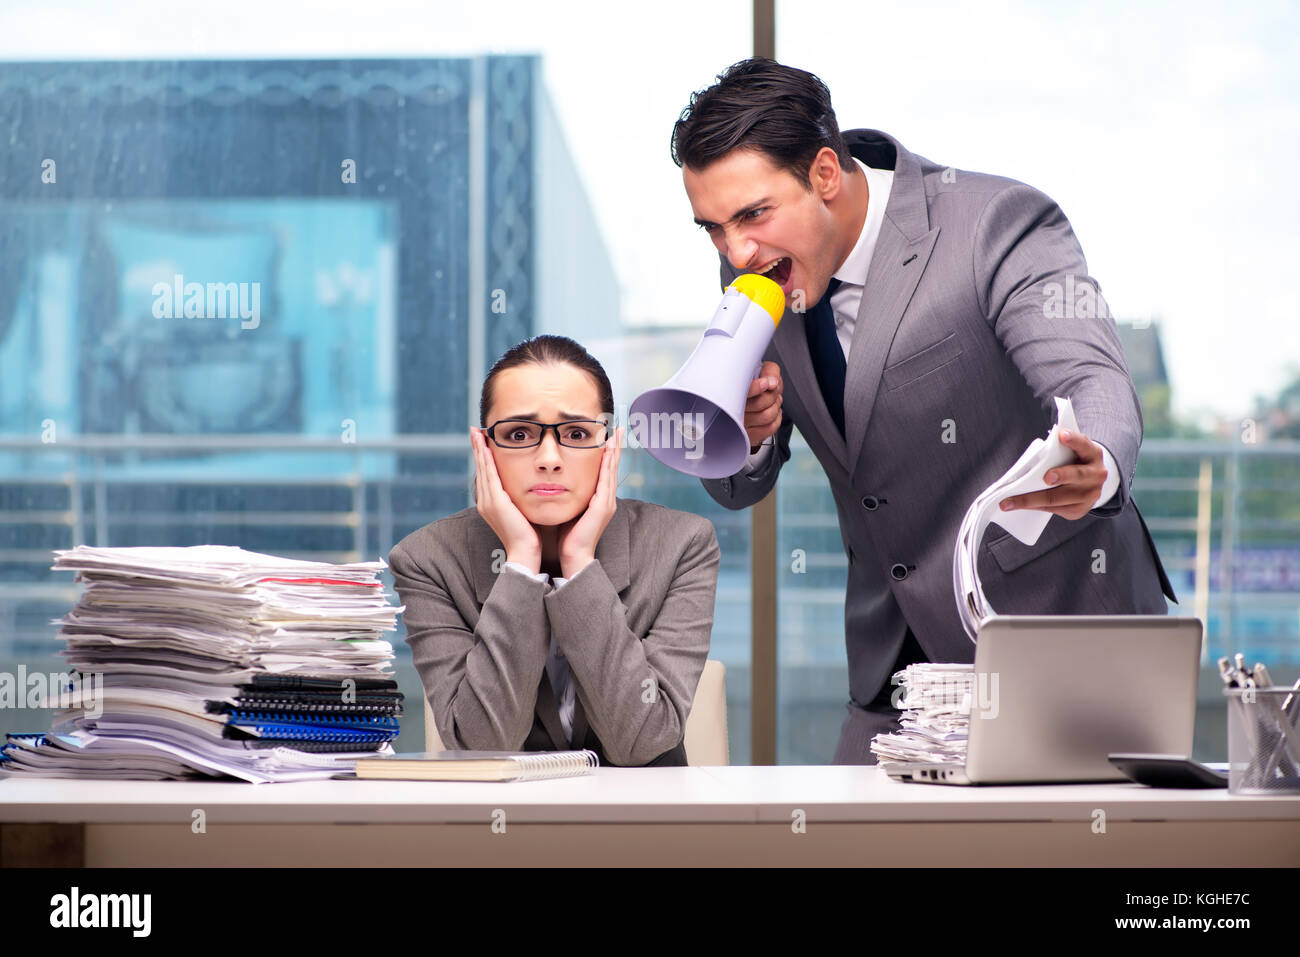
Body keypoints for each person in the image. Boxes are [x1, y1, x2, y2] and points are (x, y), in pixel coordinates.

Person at [672, 58, 1177, 764]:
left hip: (1054, 638)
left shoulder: (993, 222)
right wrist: (749, 437)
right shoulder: (755, 265)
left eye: (752, 214)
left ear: (823, 173)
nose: (735, 250)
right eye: (713, 228)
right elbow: (739, 485)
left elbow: (1094, 378)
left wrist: (1095, 459)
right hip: (895, 673)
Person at [388, 335, 720, 767]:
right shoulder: (427, 560)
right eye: (520, 433)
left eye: (577, 433)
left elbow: (640, 743)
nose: (548, 458)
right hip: (499, 828)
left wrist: (579, 563)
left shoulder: (681, 545)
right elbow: (484, 744)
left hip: (643, 825)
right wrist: (521, 564)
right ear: (483, 447)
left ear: (610, 448)